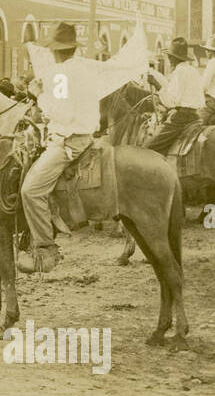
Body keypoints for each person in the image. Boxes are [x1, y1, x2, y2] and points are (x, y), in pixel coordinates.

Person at [18, 19, 149, 274]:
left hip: (69, 141)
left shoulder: (60, 74)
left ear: (55, 50)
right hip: (85, 136)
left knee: (30, 191)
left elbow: (63, 113)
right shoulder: (84, 68)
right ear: (73, 48)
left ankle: (45, 250)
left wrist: (38, 95)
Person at [144, 37, 204, 154]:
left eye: (169, 57)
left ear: (173, 58)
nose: (168, 59)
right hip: (195, 116)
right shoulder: (192, 70)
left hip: (181, 118)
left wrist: (157, 85)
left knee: (149, 148)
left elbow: (170, 101)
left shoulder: (179, 72)